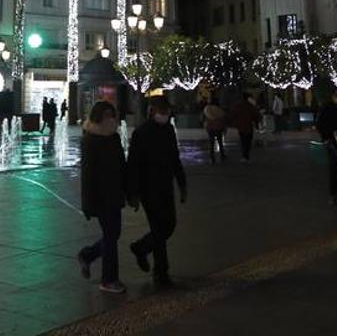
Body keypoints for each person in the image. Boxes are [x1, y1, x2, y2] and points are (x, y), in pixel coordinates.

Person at [127, 98, 187, 288]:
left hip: (165, 186)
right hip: (148, 188)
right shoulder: (141, 133)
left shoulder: (169, 130)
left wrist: (182, 183)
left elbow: (175, 157)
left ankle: (141, 248)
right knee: (159, 228)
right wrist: (133, 193)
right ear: (152, 111)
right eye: (162, 110)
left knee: (169, 225)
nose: (165, 114)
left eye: (167, 110)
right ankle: (161, 272)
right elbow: (133, 164)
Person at [77, 101, 128, 294]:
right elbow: (88, 175)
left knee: (113, 235)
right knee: (111, 236)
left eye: (112, 115)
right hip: (101, 197)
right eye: (106, 115)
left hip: (115, 194)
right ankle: (108, 279)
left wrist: (129, 191)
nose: (110, 119)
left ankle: (88, 255)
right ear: (98, 116)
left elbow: (122, 166)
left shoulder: (113, 137)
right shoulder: (90, 140)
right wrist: (88, 204)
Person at [229, 93, 262, 162]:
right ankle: (245, 154)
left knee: (243, 139)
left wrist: (234, 122)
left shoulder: (237, 106)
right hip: (248, 125)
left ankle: (244, 154)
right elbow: (255, 115)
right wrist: (257, 123)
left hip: (241, 126)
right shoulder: (250, 106)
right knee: (248, 140)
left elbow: (233, 114)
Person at [201, 98, 227, 163]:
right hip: (219, 127)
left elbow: (203, 118)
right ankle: (222, 155)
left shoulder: (207, 108)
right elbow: (223, 117)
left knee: (211, 142)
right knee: (220, 141)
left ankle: (212, 156)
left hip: (210, 127)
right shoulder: (219, 109)